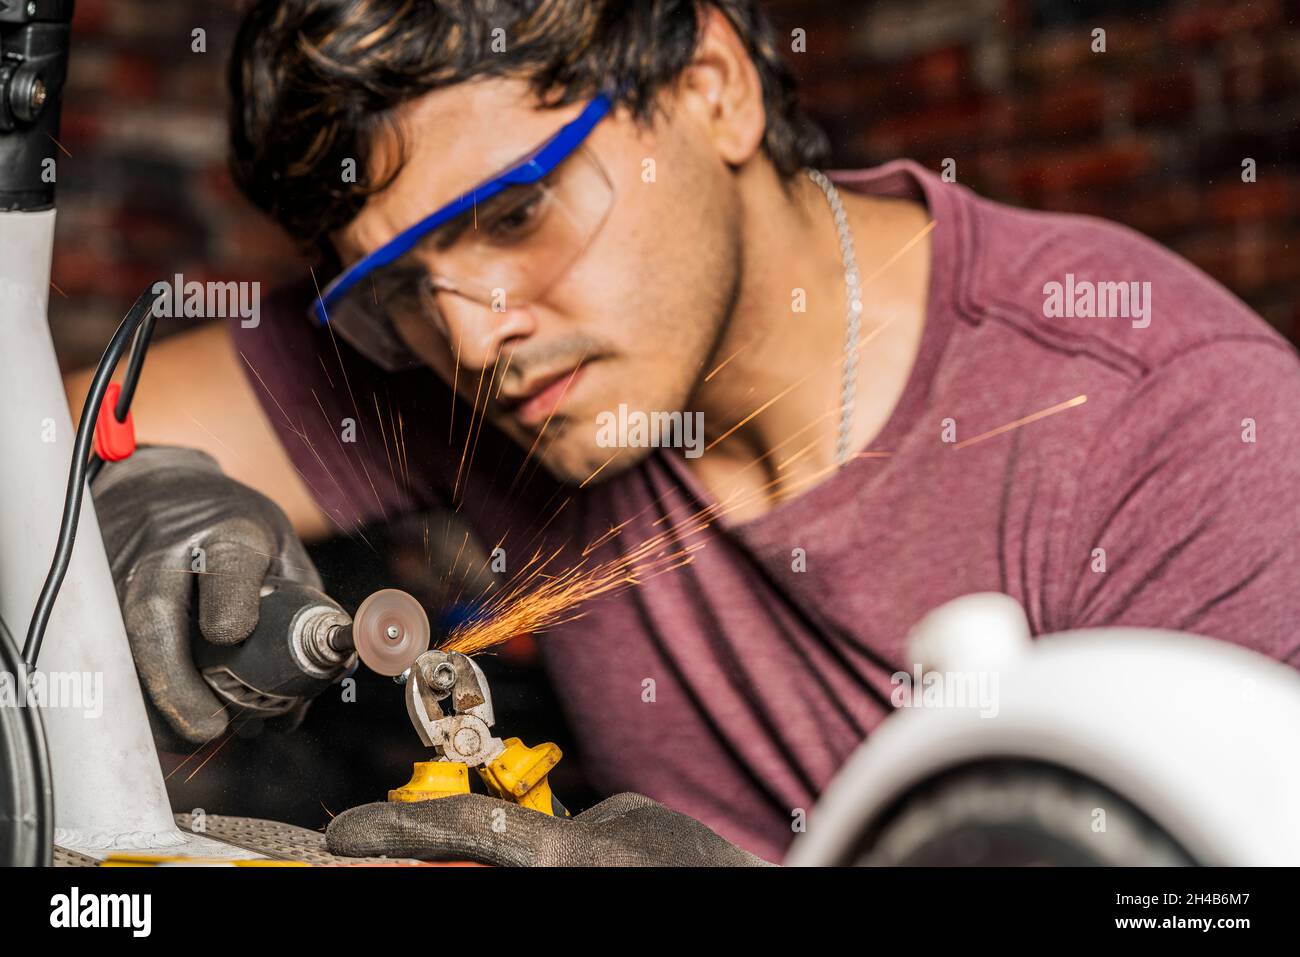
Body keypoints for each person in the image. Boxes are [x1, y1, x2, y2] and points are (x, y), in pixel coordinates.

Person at [70, 0, 1300, 865]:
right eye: (395, 287)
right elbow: (51, 444)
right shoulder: (469, 353)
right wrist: (139, 503)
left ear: (713, 87)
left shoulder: (1178, 437)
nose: (474, 339)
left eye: (516, 212)